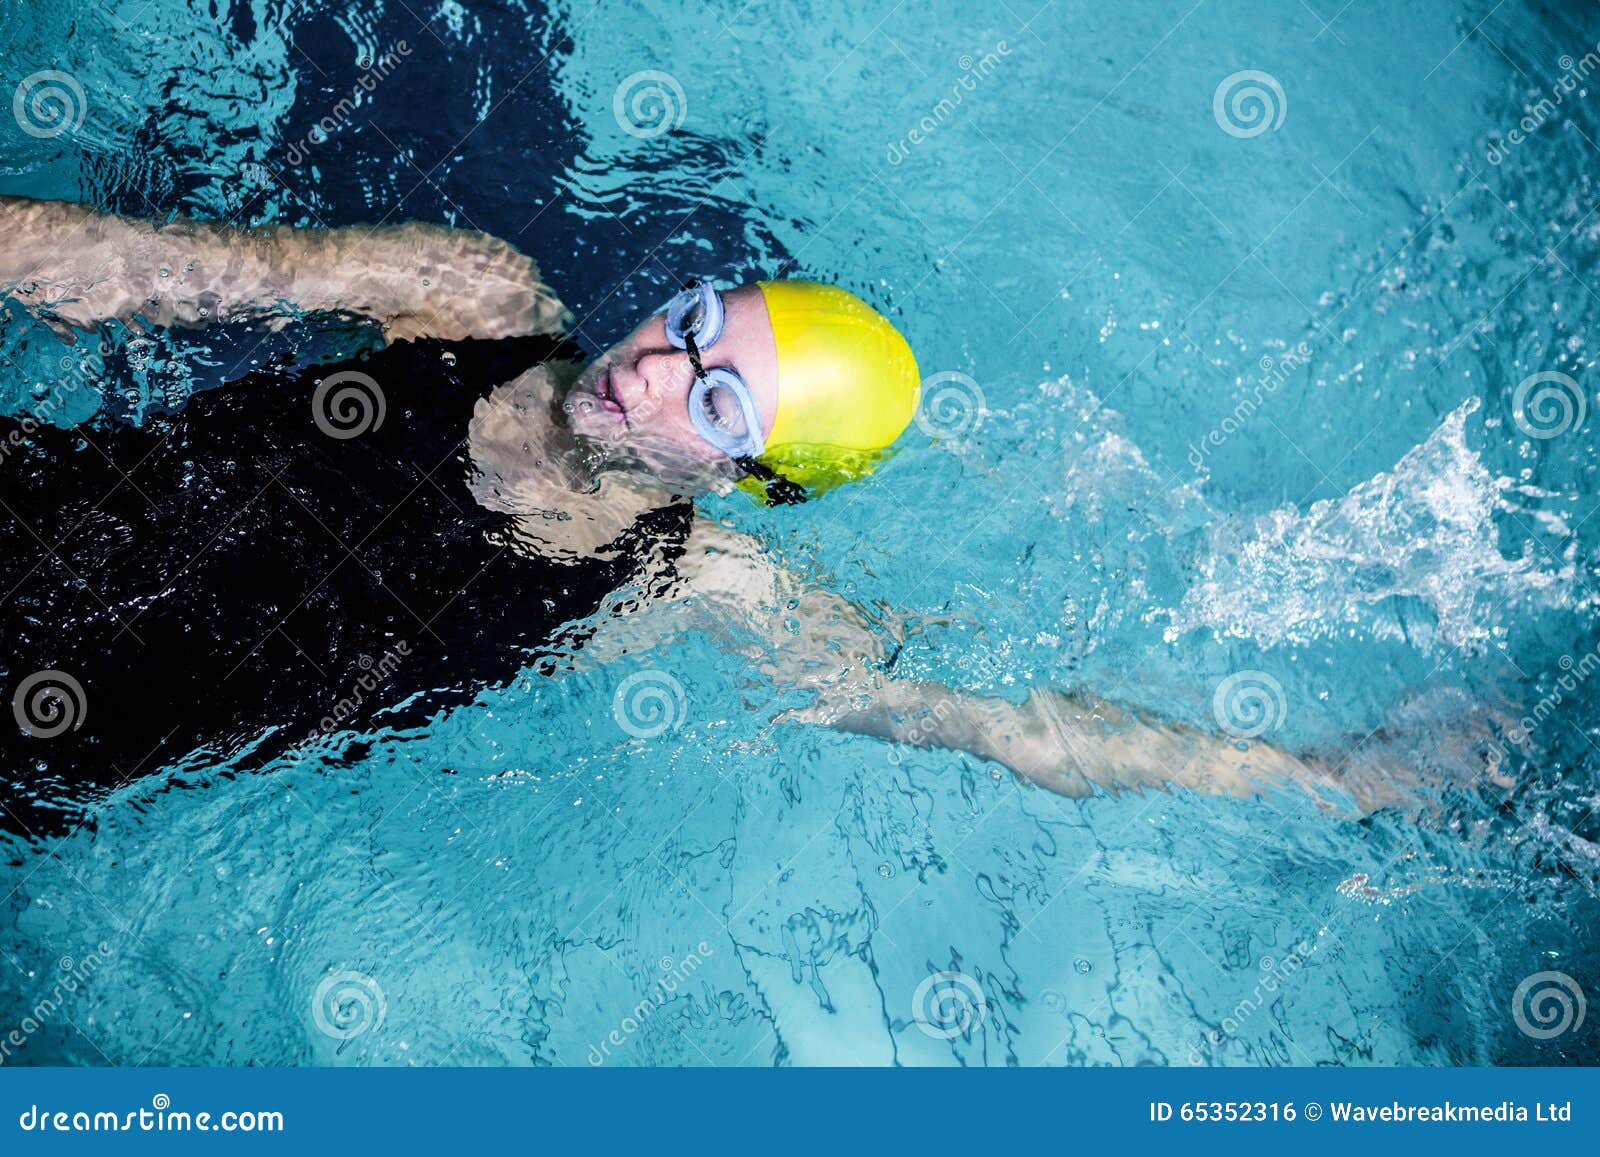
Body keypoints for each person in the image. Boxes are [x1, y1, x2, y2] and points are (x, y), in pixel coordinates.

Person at [0, 195, 1439, 834]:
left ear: (756, 478)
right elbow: (142, 265)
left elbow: (997, 725)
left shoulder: (690, 580)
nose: (655, 362)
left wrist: (1322, 773)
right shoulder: (477, 297)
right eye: (695, 321)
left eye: (722, 399)